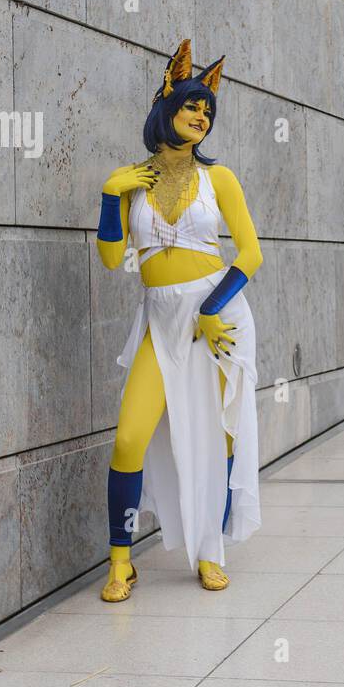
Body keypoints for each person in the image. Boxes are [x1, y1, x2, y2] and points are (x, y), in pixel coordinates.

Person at [95, 40, 262, 602]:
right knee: (128, 440)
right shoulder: (130, 183)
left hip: (216, 318)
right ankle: (120, 563)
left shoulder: (221, 180)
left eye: (208, 111)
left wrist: (213, 309)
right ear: (165, 107)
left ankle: (211, 550)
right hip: (159, 321)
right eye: (193, 105)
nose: (201, 116)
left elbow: (250, 255)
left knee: (219, 436)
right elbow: (113, 260)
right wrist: (108, 195)